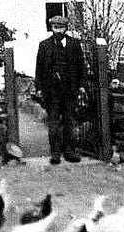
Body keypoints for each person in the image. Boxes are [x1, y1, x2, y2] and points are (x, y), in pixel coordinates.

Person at [34, 14, 86, 164]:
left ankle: (70, 152)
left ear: (66, 28)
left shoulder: (74, 44)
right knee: (54, 123)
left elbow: (81, 66)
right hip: (52, 91)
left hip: (70, 90)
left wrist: (81, 85)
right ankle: (55, 153)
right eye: (55, 27)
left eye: (61, 27)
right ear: (51, 28)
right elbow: (39, 68)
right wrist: (39, 87)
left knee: (69, 122)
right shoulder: (44, 45)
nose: (58, 30)